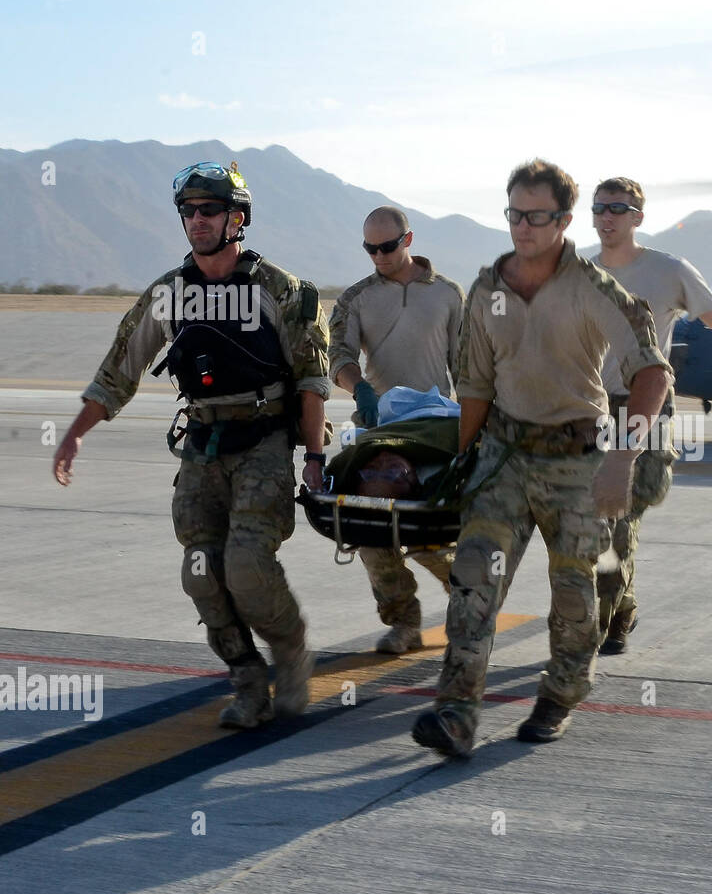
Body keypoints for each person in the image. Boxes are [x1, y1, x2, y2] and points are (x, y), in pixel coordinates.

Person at [52, 161, 330, 729]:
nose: (197, 220)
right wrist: (74, 436)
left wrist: (315, 458)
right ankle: (249, 680)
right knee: (201, 571)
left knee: (248, 567)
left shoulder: (283, 291)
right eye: (189, 211)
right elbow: (117, 373)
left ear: (238, 218)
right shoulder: (168, 294)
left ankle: (292, 648)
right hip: (202, 448)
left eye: (209, 210)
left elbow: (310, 381)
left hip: (263, 444)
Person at [410, 159, 672, 758]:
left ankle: (560, 695)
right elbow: (474, 384)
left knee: (577, 595)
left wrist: (623, 459)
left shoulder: (593, 289)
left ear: (563, 220)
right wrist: (460, 463)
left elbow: (651, 373)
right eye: (514, 214)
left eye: (536, 216)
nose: (522, 227)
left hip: (578, 461)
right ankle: (454, 714)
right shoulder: (487, 289)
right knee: (473, 580)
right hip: (504, 455)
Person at [590, 176, 712, 653]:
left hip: (643, 410)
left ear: (638, 217)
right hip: (590, 412)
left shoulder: (669, 270)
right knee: (593, 524)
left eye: (617, 207)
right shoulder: (580, 274)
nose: (607, 216)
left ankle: (604, 624)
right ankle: (620, 606)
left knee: (621, 518)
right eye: (600, 207)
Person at [329, 206, 466, 654]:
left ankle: (469, 601)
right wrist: (360, 388)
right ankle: (403, 623)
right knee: (372, 532)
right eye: (370, 248)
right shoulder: (356, 298)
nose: (378, 256)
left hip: (435, 430)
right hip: (378, 428)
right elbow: (339, 357)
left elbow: (467, 368)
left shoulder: (447, 294)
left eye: (387, 247)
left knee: (426, 534)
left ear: (408, 241)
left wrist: (476, 423)